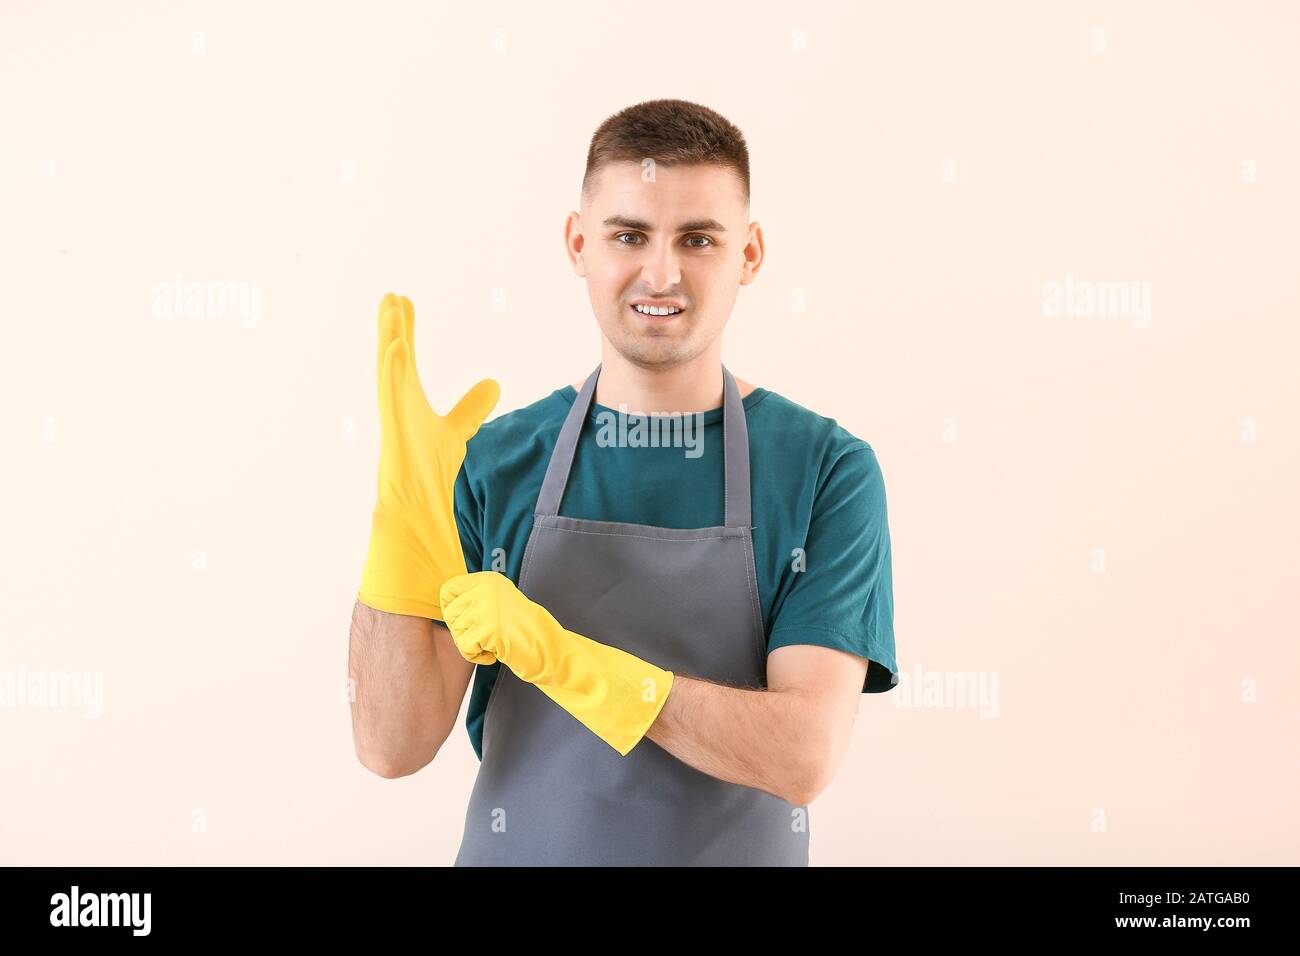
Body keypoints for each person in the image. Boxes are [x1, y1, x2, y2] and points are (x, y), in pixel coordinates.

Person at [349, 99, 898, 866]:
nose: (662, 272)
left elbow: (801, 755)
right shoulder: (497, 461)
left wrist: (566, 659)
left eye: (699, 238)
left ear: (750, 254)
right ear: (579, 243)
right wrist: (398, 526)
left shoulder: (822, 471)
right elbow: (389, 744)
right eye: (629, 234)